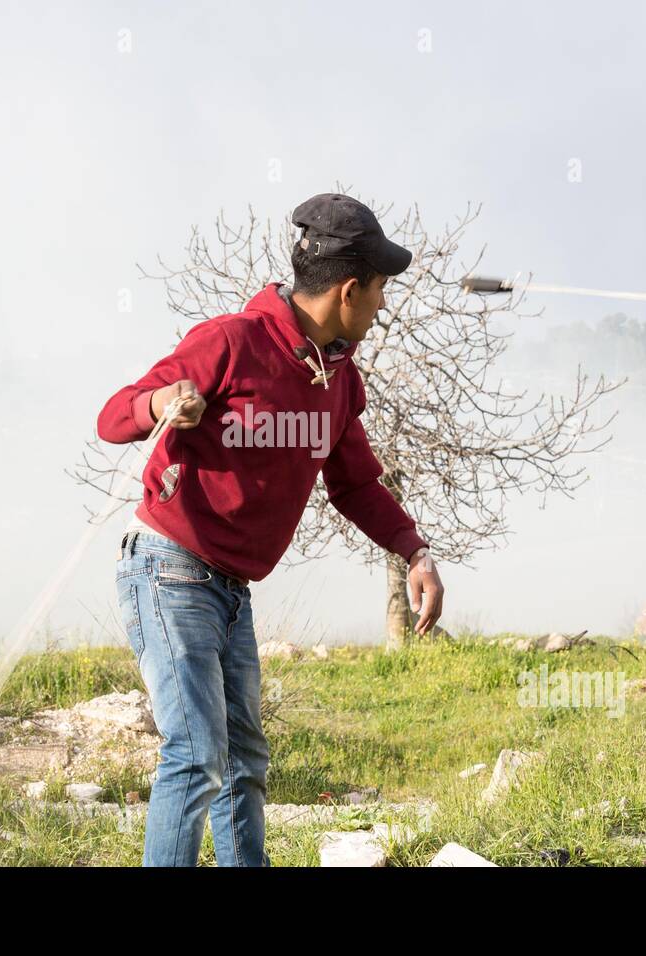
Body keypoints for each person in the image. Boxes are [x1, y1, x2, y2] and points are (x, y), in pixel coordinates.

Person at [96, 193, 444, 866]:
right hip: (168, 568)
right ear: (348, 290)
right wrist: (163, 402)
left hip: (229, 589)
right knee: (197, 752)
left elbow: (356, 484)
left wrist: (415, 550)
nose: (380, 306)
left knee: (244, 758)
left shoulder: (338, 380)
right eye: (378, 291)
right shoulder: (229, 343)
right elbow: (112, 418)